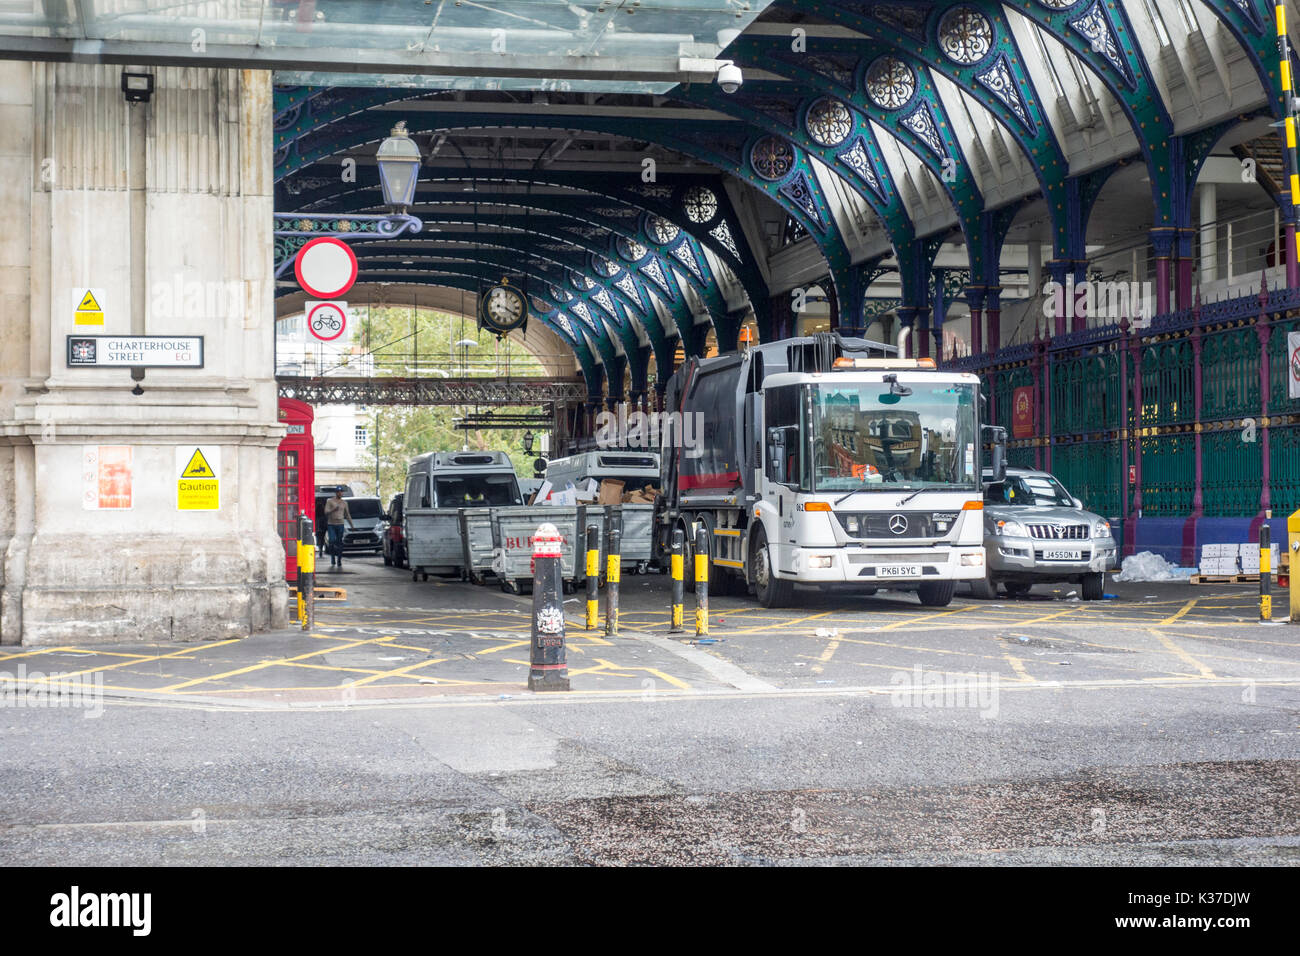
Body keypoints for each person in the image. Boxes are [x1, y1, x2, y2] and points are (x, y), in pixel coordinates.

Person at [323, 487, 355, 569]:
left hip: (340, 524)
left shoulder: (344, 503)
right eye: (339, 492)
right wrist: (333, 509)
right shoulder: (330, 501)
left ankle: (339, 560)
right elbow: (326, 512)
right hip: (331, 524)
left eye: (341, 492)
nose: (340, 493)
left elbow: (347, 514)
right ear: (336, 493)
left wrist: (352, 525)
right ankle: (333, 557)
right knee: (332, 541)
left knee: (339, 542)